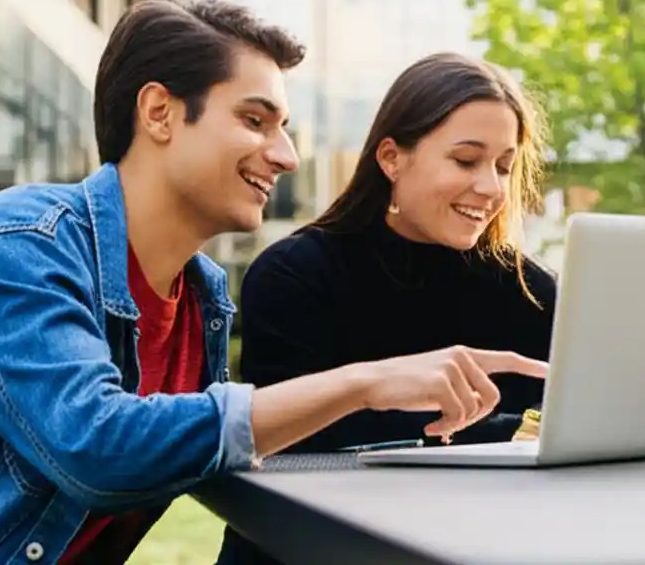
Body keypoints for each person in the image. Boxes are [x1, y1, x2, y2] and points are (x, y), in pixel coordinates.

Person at [0, 0, 545, 564]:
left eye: (284, 127)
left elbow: (200, 463)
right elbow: (97, 448)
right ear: (158, 113)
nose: (287, 156)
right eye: (255, 120)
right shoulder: (24, 242)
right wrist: (366, 381)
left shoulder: (202, 299)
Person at [216, 52, 556, 564]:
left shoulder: (531, 291)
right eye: (466, 160)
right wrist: (501, 430)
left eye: (504, 166)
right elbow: (289, 448)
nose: (491, 187)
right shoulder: (294, 274)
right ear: (392, 157)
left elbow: (554, 434)